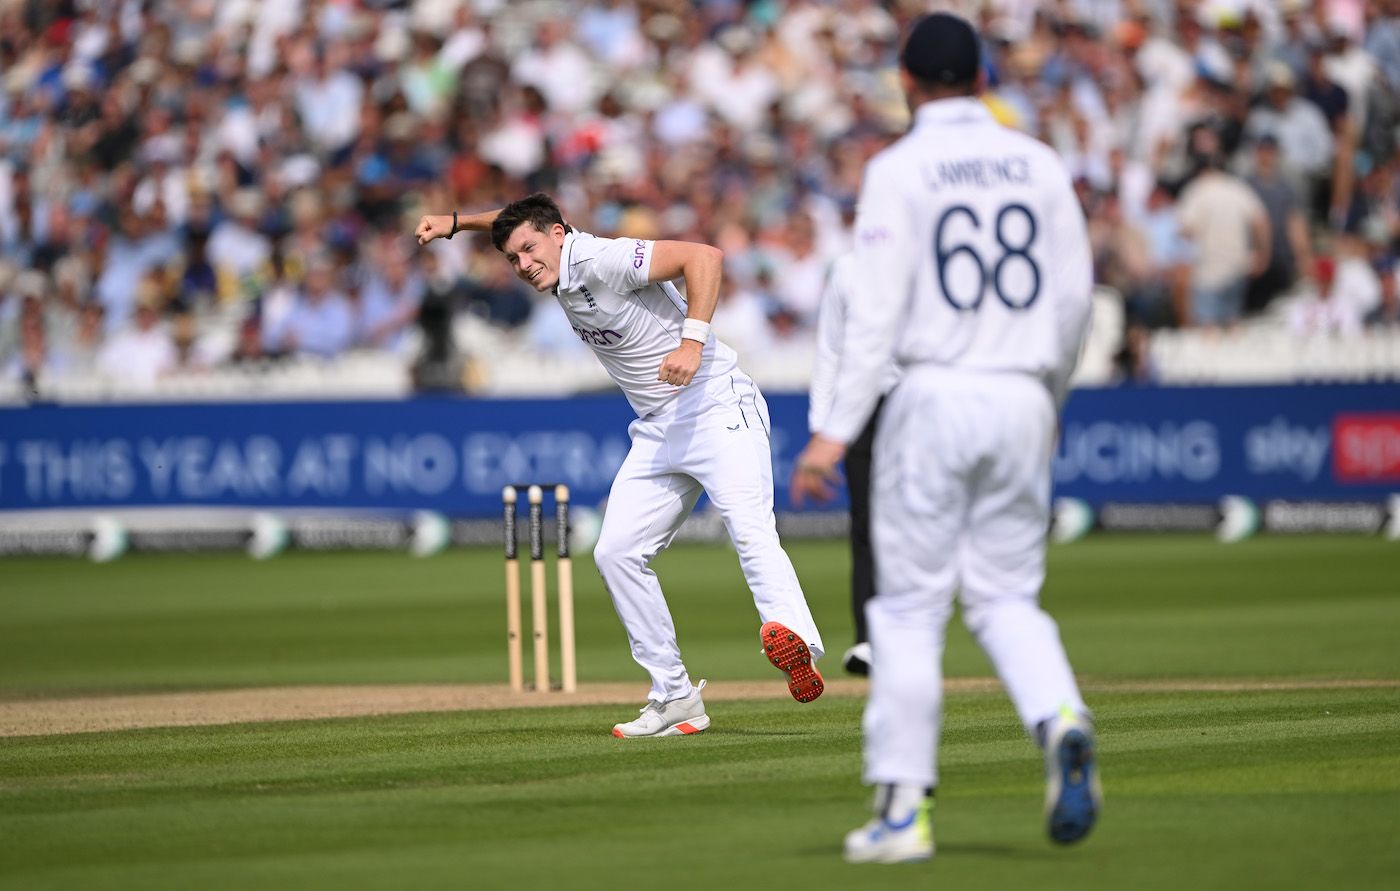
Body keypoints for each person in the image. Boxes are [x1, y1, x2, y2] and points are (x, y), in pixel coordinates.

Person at [789, 13, 1101, 864]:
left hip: (933, 397)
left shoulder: (897, 169)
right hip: (1021, 395)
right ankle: (1059, 716)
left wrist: (831, 435)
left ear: (907, 80)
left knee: (908, 610)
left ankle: (904, 811)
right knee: (1006, 599)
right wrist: (1053, 394)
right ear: (983, 77)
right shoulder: (1040, 163)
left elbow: (876, 314)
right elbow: (1075, 302)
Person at [415, 194, 825, 737]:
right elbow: (522, 219)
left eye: (530, 251)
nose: (523, 264)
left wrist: (692, 342)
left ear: (560, 235)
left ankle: (796, 640)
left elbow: (704, 257)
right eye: (513, 259)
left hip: (715, 404)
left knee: (749, 529)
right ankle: (675, 696)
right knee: (615, 552)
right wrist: (456, 224)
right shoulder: (550, 248)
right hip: (657, 427)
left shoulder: (599, 257)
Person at [800, 253, 899, 676]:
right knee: (866, 525)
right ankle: (869, 641)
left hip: (921, 401)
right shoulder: (847, 267)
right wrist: (822, 429)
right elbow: (830, 350)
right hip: (861, 405)